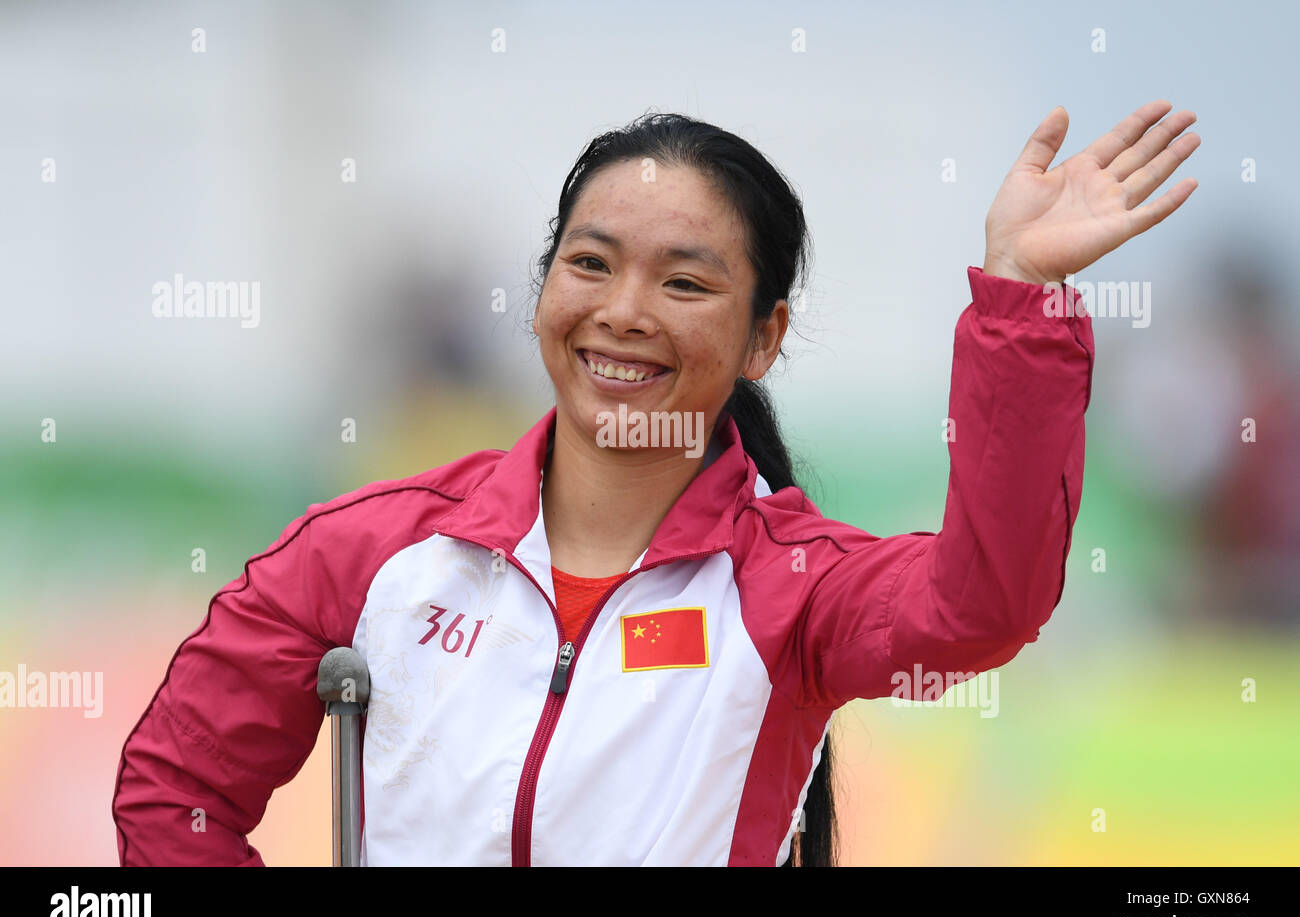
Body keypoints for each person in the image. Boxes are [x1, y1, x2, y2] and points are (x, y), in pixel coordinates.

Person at [113, 103, 1199, 866]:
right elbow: (178, 790)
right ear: (542, 288)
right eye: (589, 264)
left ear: (764, 336)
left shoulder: (797, 588)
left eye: (683, 281)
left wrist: (1018, 298)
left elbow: (983, 606)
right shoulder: (367, 550)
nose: (623, 311)